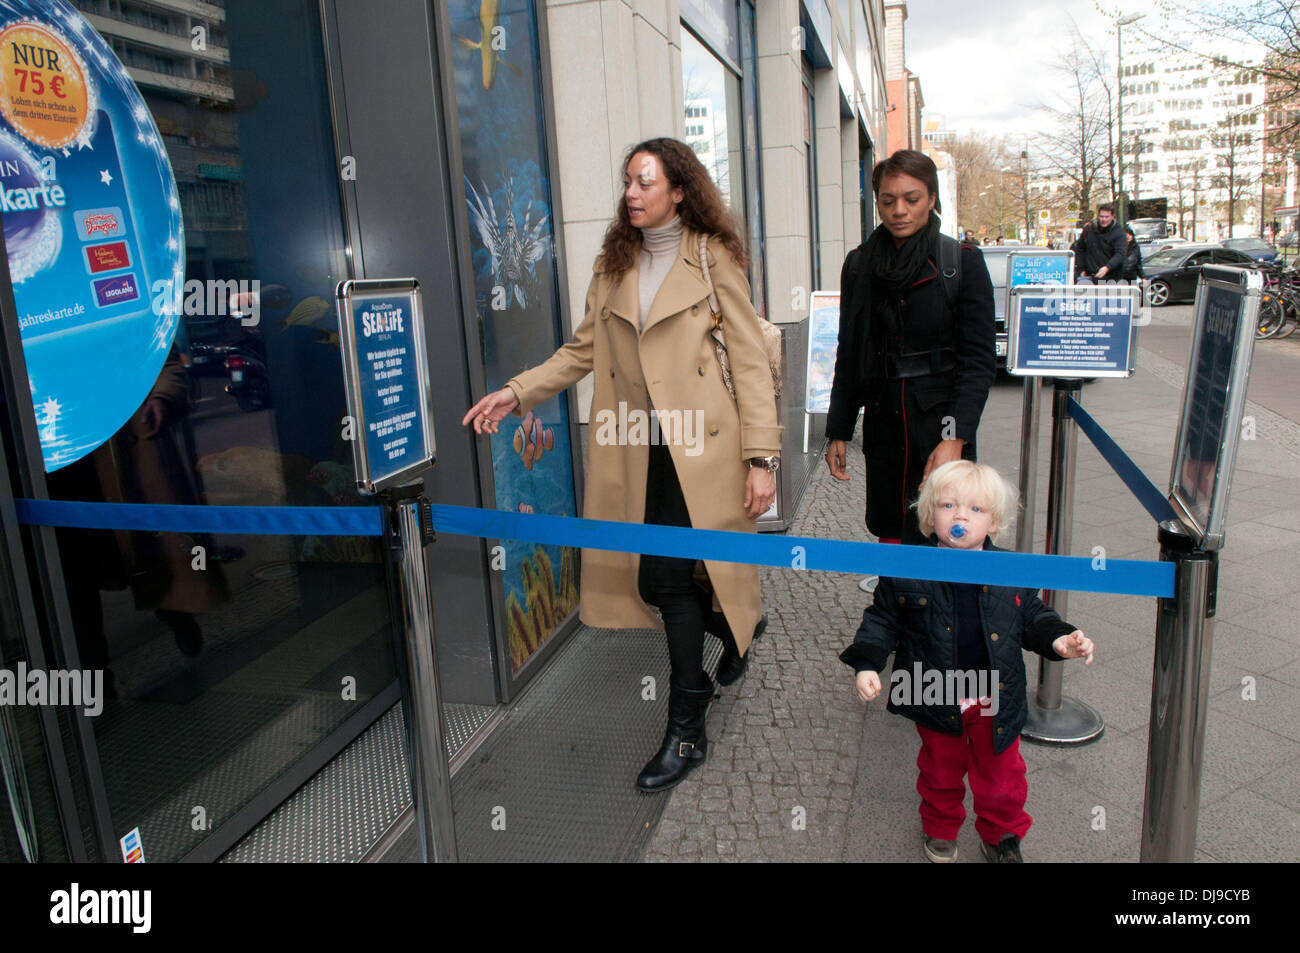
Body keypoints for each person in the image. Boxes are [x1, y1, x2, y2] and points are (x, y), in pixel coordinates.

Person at [462, 137, 781, 792]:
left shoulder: (712, 255)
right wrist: (516, 390)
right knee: (661, 575)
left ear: (679, 190)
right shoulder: (613, 264)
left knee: (668, 577)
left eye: (646, 182)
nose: (632, 194)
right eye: (627, 182)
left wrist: (761, 456)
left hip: (707, 443)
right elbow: (580, 353)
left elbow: (749, 359)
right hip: (638, 442)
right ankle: (729, 620)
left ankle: (686, 725)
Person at [839, 460, 1096, 863]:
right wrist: (868, 663)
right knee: (940, 770)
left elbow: (1033, 616)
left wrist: (1060, 638)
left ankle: (1002, 834)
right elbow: (882, 619)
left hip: (995, 694)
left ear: (993, 522)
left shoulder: (1009, 570)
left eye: (975, 509)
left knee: (1003, 776)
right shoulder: (908, 568)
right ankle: (940, 827)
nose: (960, 515)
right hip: (934, 692)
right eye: (948, 506)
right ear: (929, 516)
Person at [825, 149, 996, 545]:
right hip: (884, 422)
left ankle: (946, 606)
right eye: (888, 200)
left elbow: (977, 362)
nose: (899, 210)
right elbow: (850, 351)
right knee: (889, 527)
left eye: (911, 199)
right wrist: (839, 428)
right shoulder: (859, 265)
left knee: (949, 527)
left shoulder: (961, 262)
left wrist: (954, 436)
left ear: (932, 199)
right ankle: (893, 602)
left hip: (940, 421)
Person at [1071, 203, 1125, 283]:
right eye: (1101, 216)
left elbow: (1120, 254)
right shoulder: (1089, 229)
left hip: (1111, 278)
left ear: (1113, 217)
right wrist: (1081, 269)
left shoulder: (1119, 232)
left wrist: (1107, 267)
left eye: (1106, 217)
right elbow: (1080, 249)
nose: (1103, 220)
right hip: (1090, 277)